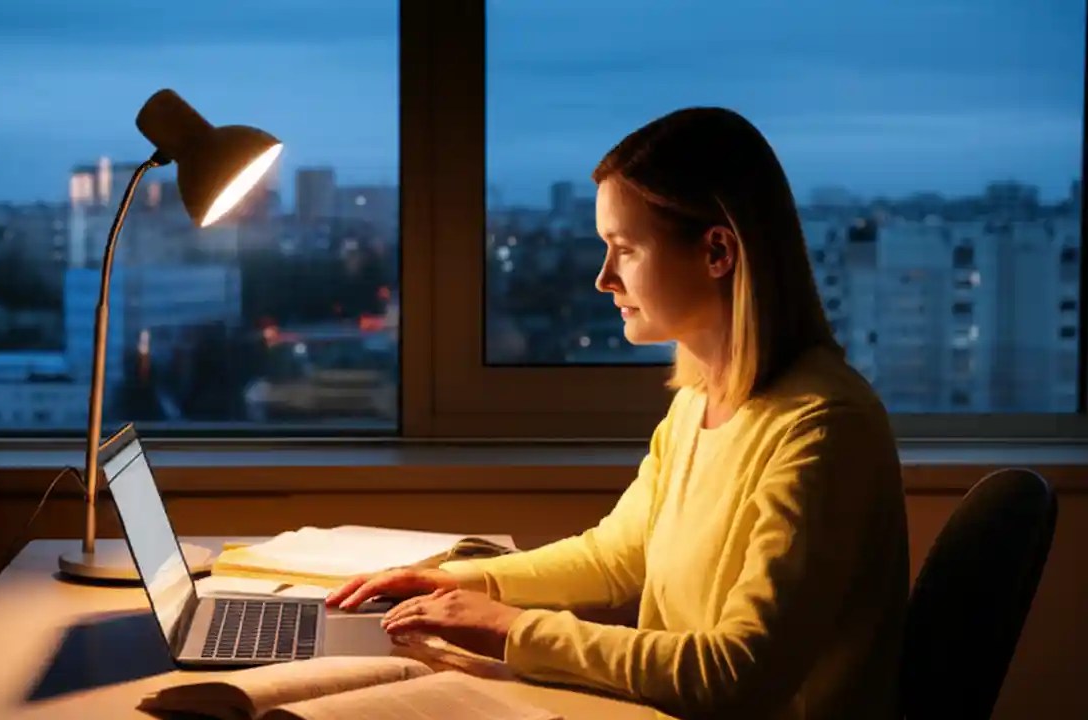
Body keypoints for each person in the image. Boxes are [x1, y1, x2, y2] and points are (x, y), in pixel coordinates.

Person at [325, 107, 909, 720]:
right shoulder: (696, 406)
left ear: (717, 251)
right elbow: (617, 556)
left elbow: (739, 673)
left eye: (624, 249)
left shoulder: (820, 429)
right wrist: (455, 583)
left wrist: (511, 630)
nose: (604, 279)